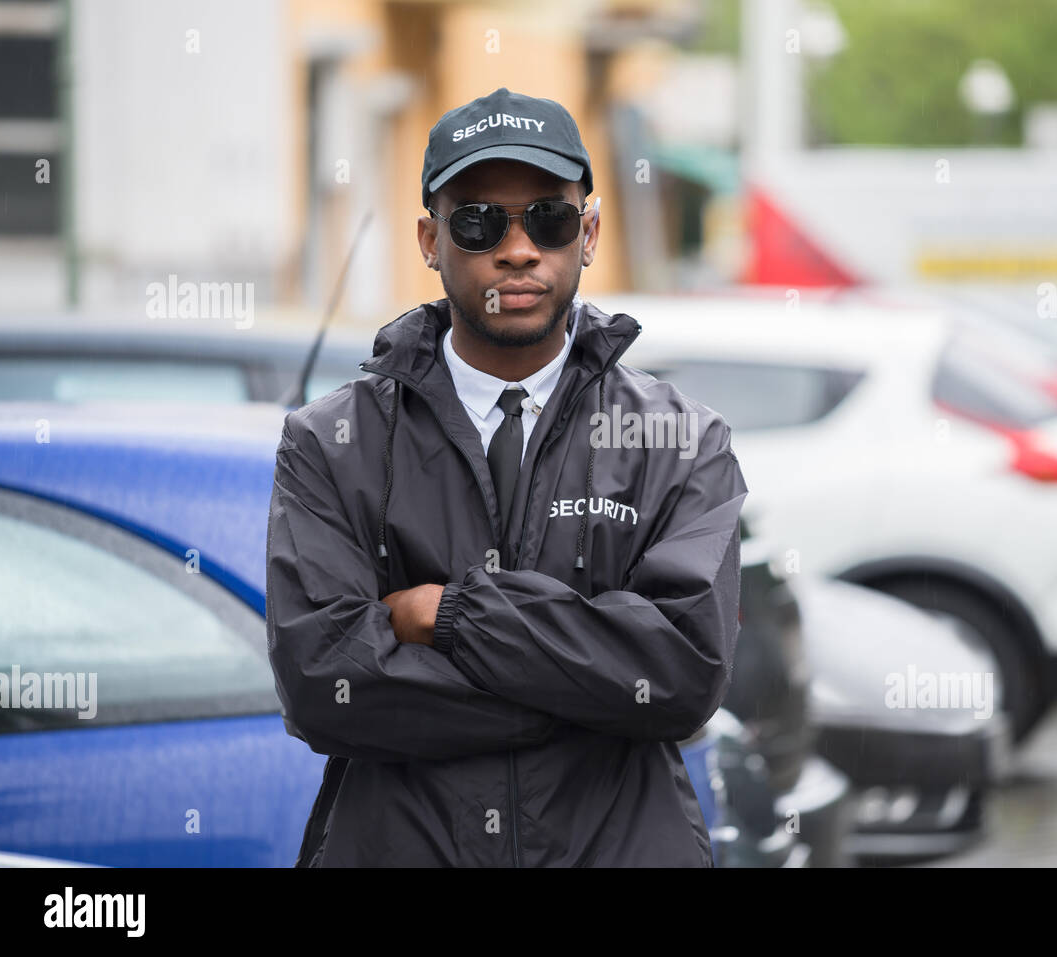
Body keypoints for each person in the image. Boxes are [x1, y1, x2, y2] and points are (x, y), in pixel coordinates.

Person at [264, 87, 748, 866]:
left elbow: (682, 675)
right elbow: (326, 683)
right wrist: (587, 689)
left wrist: (448, 615)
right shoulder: (332, 442)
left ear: (588, 233)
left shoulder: (679, 439)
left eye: (549, 219)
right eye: (480, 220)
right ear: (429, 238)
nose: (518, 249)